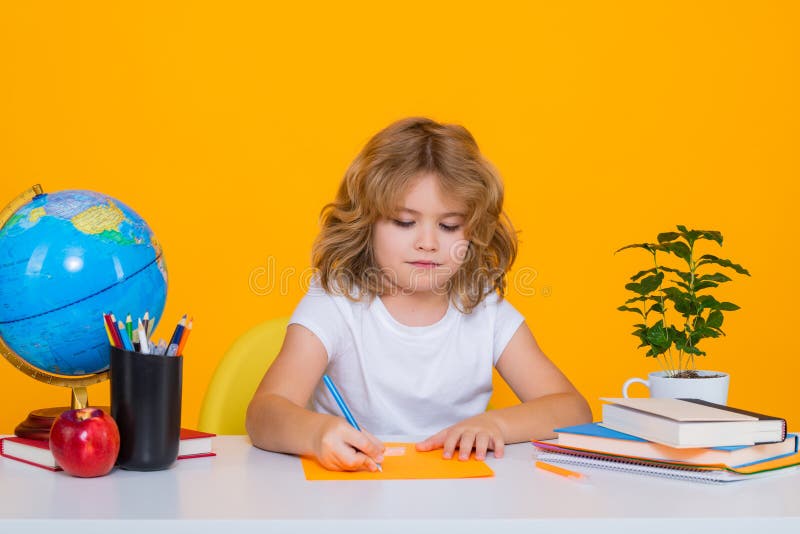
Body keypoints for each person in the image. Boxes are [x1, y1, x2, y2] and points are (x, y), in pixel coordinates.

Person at [246, 117, 591, 472]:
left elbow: (573, 410)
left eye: (449, 226)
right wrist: (316, 433)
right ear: (367, 224)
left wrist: (495, 425)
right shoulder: (335, 302)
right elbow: (262, 414)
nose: (427, 243)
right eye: (404, 222)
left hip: (455, 502)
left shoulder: (484, 307)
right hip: (355, 498)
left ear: (472, 232)